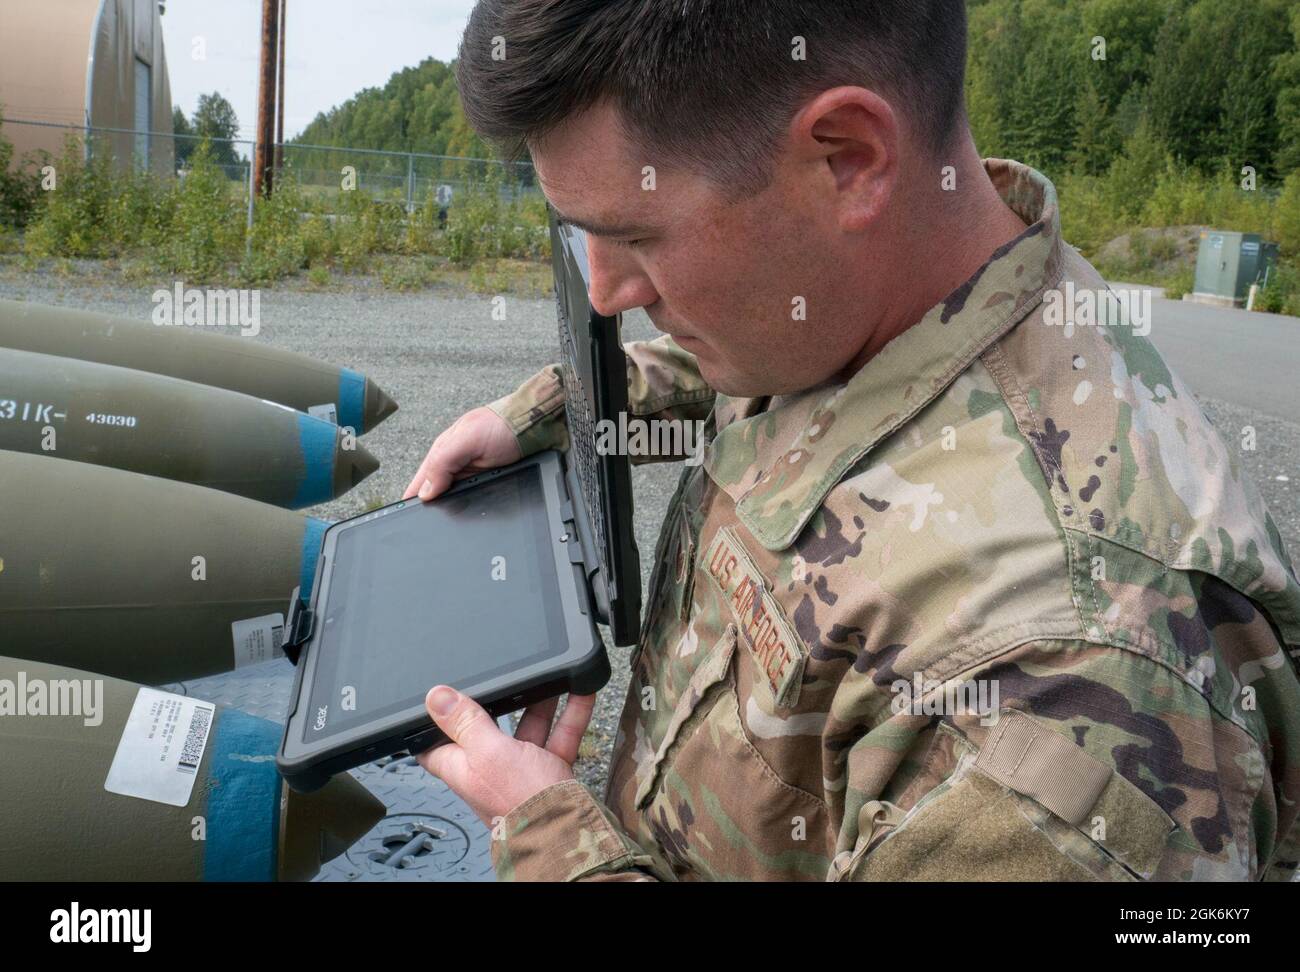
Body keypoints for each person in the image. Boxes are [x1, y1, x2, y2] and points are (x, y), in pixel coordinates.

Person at [403, 0, 1300, 881]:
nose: (604, 293)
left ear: (849, 161)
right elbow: (779, 383)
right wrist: (553, 413)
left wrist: (550, 840)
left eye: (635, 236)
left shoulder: (1061, 683)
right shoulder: (883, 292)